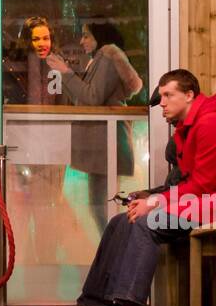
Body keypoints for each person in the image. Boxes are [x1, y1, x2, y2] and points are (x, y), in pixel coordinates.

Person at [49, 69, 216, 306]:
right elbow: (188, 183)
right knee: (119, 223)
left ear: (190, 95)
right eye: (161, 96)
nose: (162, 103)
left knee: (145, 223)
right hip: (206, 203)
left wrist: (156, 203)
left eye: (169, 95)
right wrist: (151, 195)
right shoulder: (188, 127)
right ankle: (92, 304)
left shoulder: (212, 123)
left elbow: (202, 185)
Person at [46, 20, 144, 232]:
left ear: (101, 36)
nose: (81, 41)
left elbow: (92, 97)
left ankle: (115, 254)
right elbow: (84, 97)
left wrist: (66, 72)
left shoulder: (108, 54)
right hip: (101, 141)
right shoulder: (99, 59)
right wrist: (65, 73)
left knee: (102, 207)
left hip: (106, 140)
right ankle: (113, 252)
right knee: (100, 206)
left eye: (86, 35)